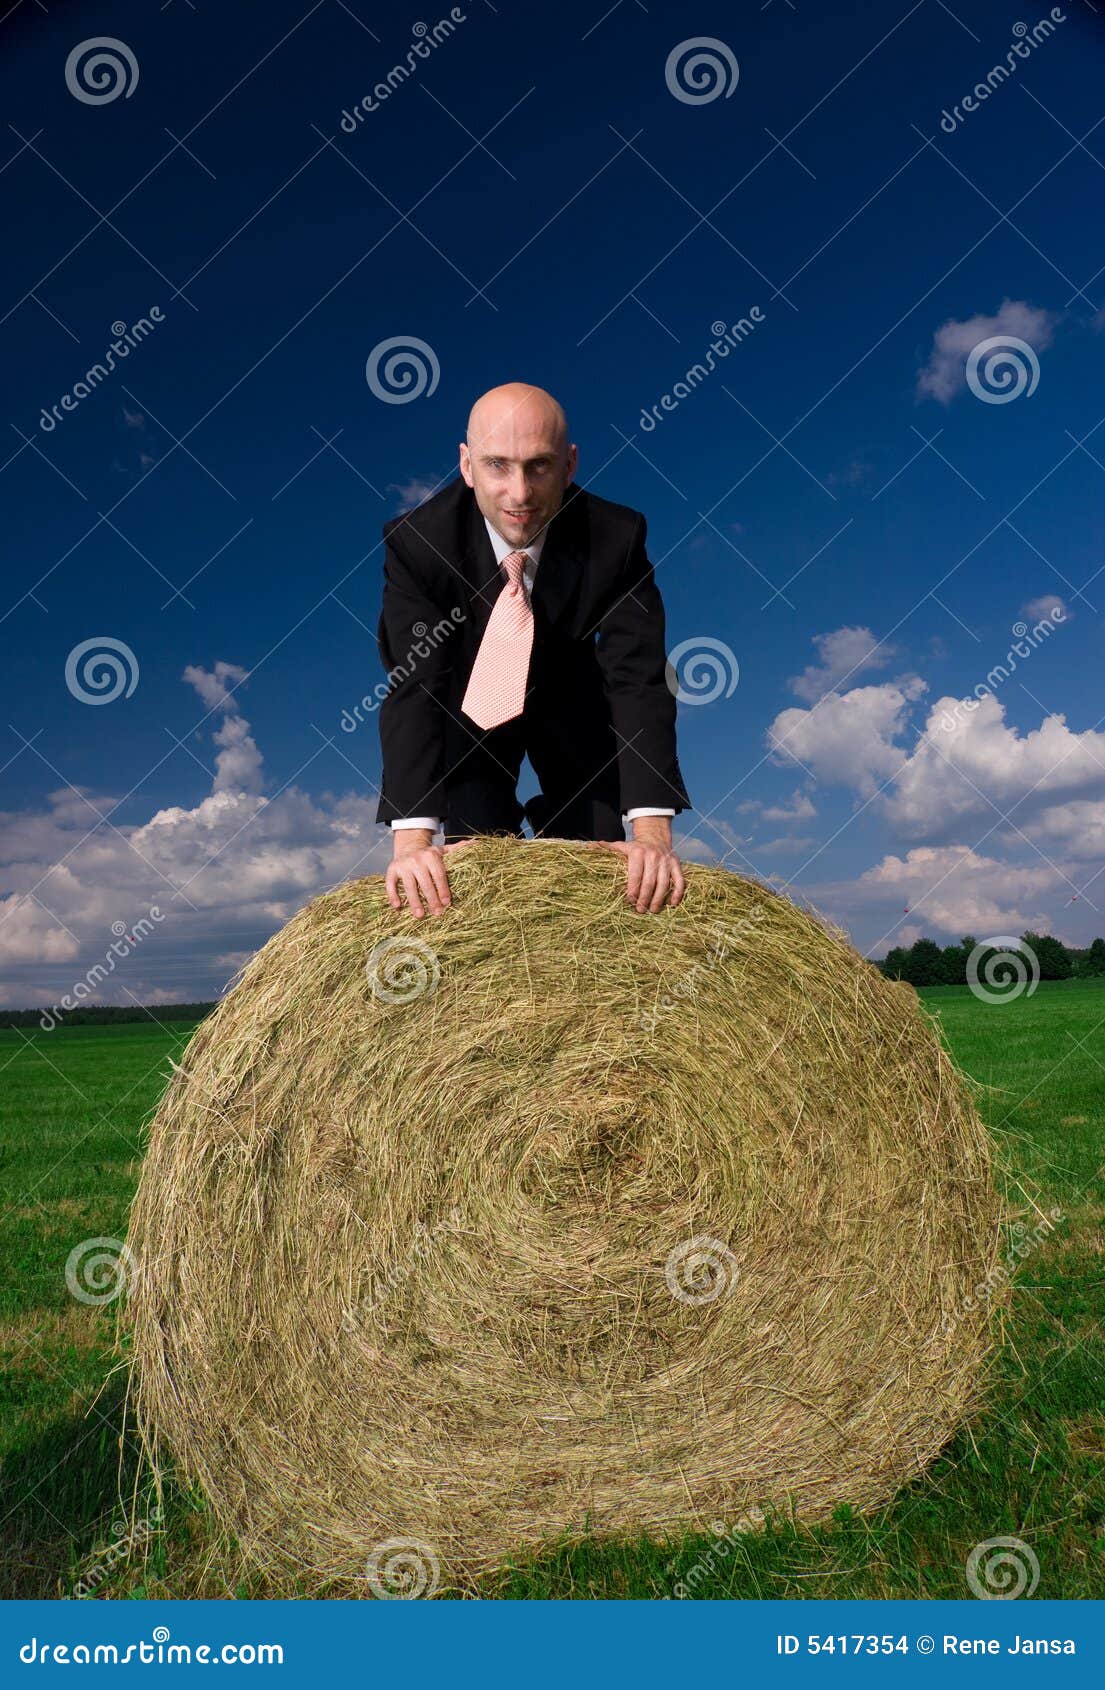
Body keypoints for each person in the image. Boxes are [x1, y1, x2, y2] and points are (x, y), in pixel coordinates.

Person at [376, 382, 691, 918]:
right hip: (466, 710)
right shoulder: (419, 545)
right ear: (467, 465)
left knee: (601, 869)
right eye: (497, 465)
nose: (519, 494)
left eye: (538, 466)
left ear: (570, 465)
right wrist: (413, 846)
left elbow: (637, 678)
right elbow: (416, 683)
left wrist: (653, 835)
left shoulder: (615, 539)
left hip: (573, 706)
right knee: (468, 873)